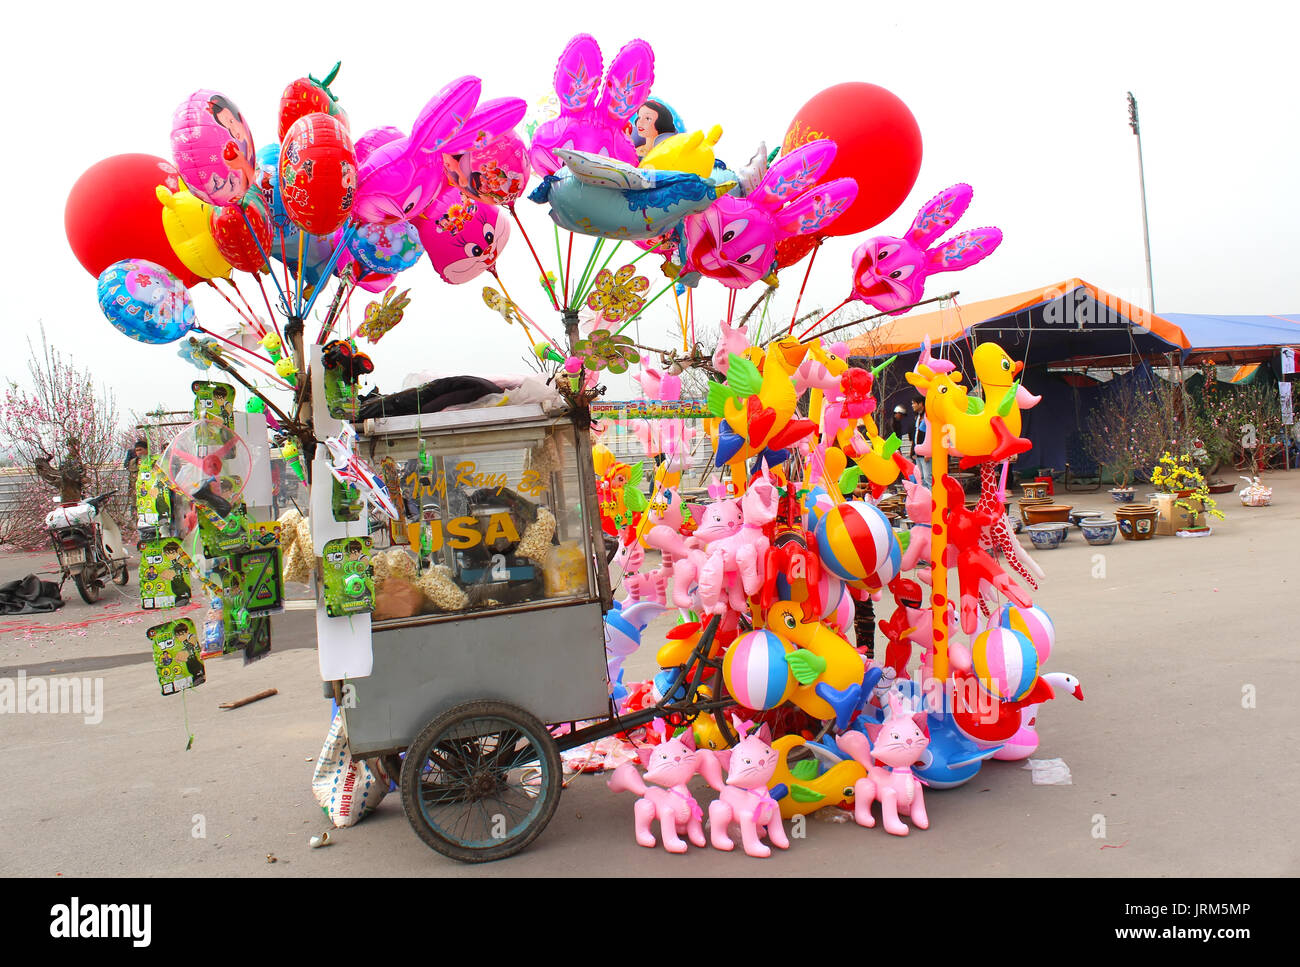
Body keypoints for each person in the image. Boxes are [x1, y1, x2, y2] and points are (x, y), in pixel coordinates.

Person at [34, 436, 87, 503]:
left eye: (76, 445)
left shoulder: (80, 461)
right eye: (71, 446)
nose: (75, 448)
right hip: (69, 493)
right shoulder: (66, 461)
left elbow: (83, 475)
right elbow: (62, 475)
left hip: (79, 490)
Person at [910, 397, 931, 487]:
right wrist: (913, 451)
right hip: (918, 452)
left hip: (926, 452)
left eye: (914, 403)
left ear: (921, 404)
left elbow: (930, 434)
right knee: (921, 478)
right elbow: (916, 434)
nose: (912, 405)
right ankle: (926, 498)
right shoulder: (918, 417)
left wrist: (929, 452)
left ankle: (933, 498)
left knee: (928, 477)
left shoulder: (928, 416)